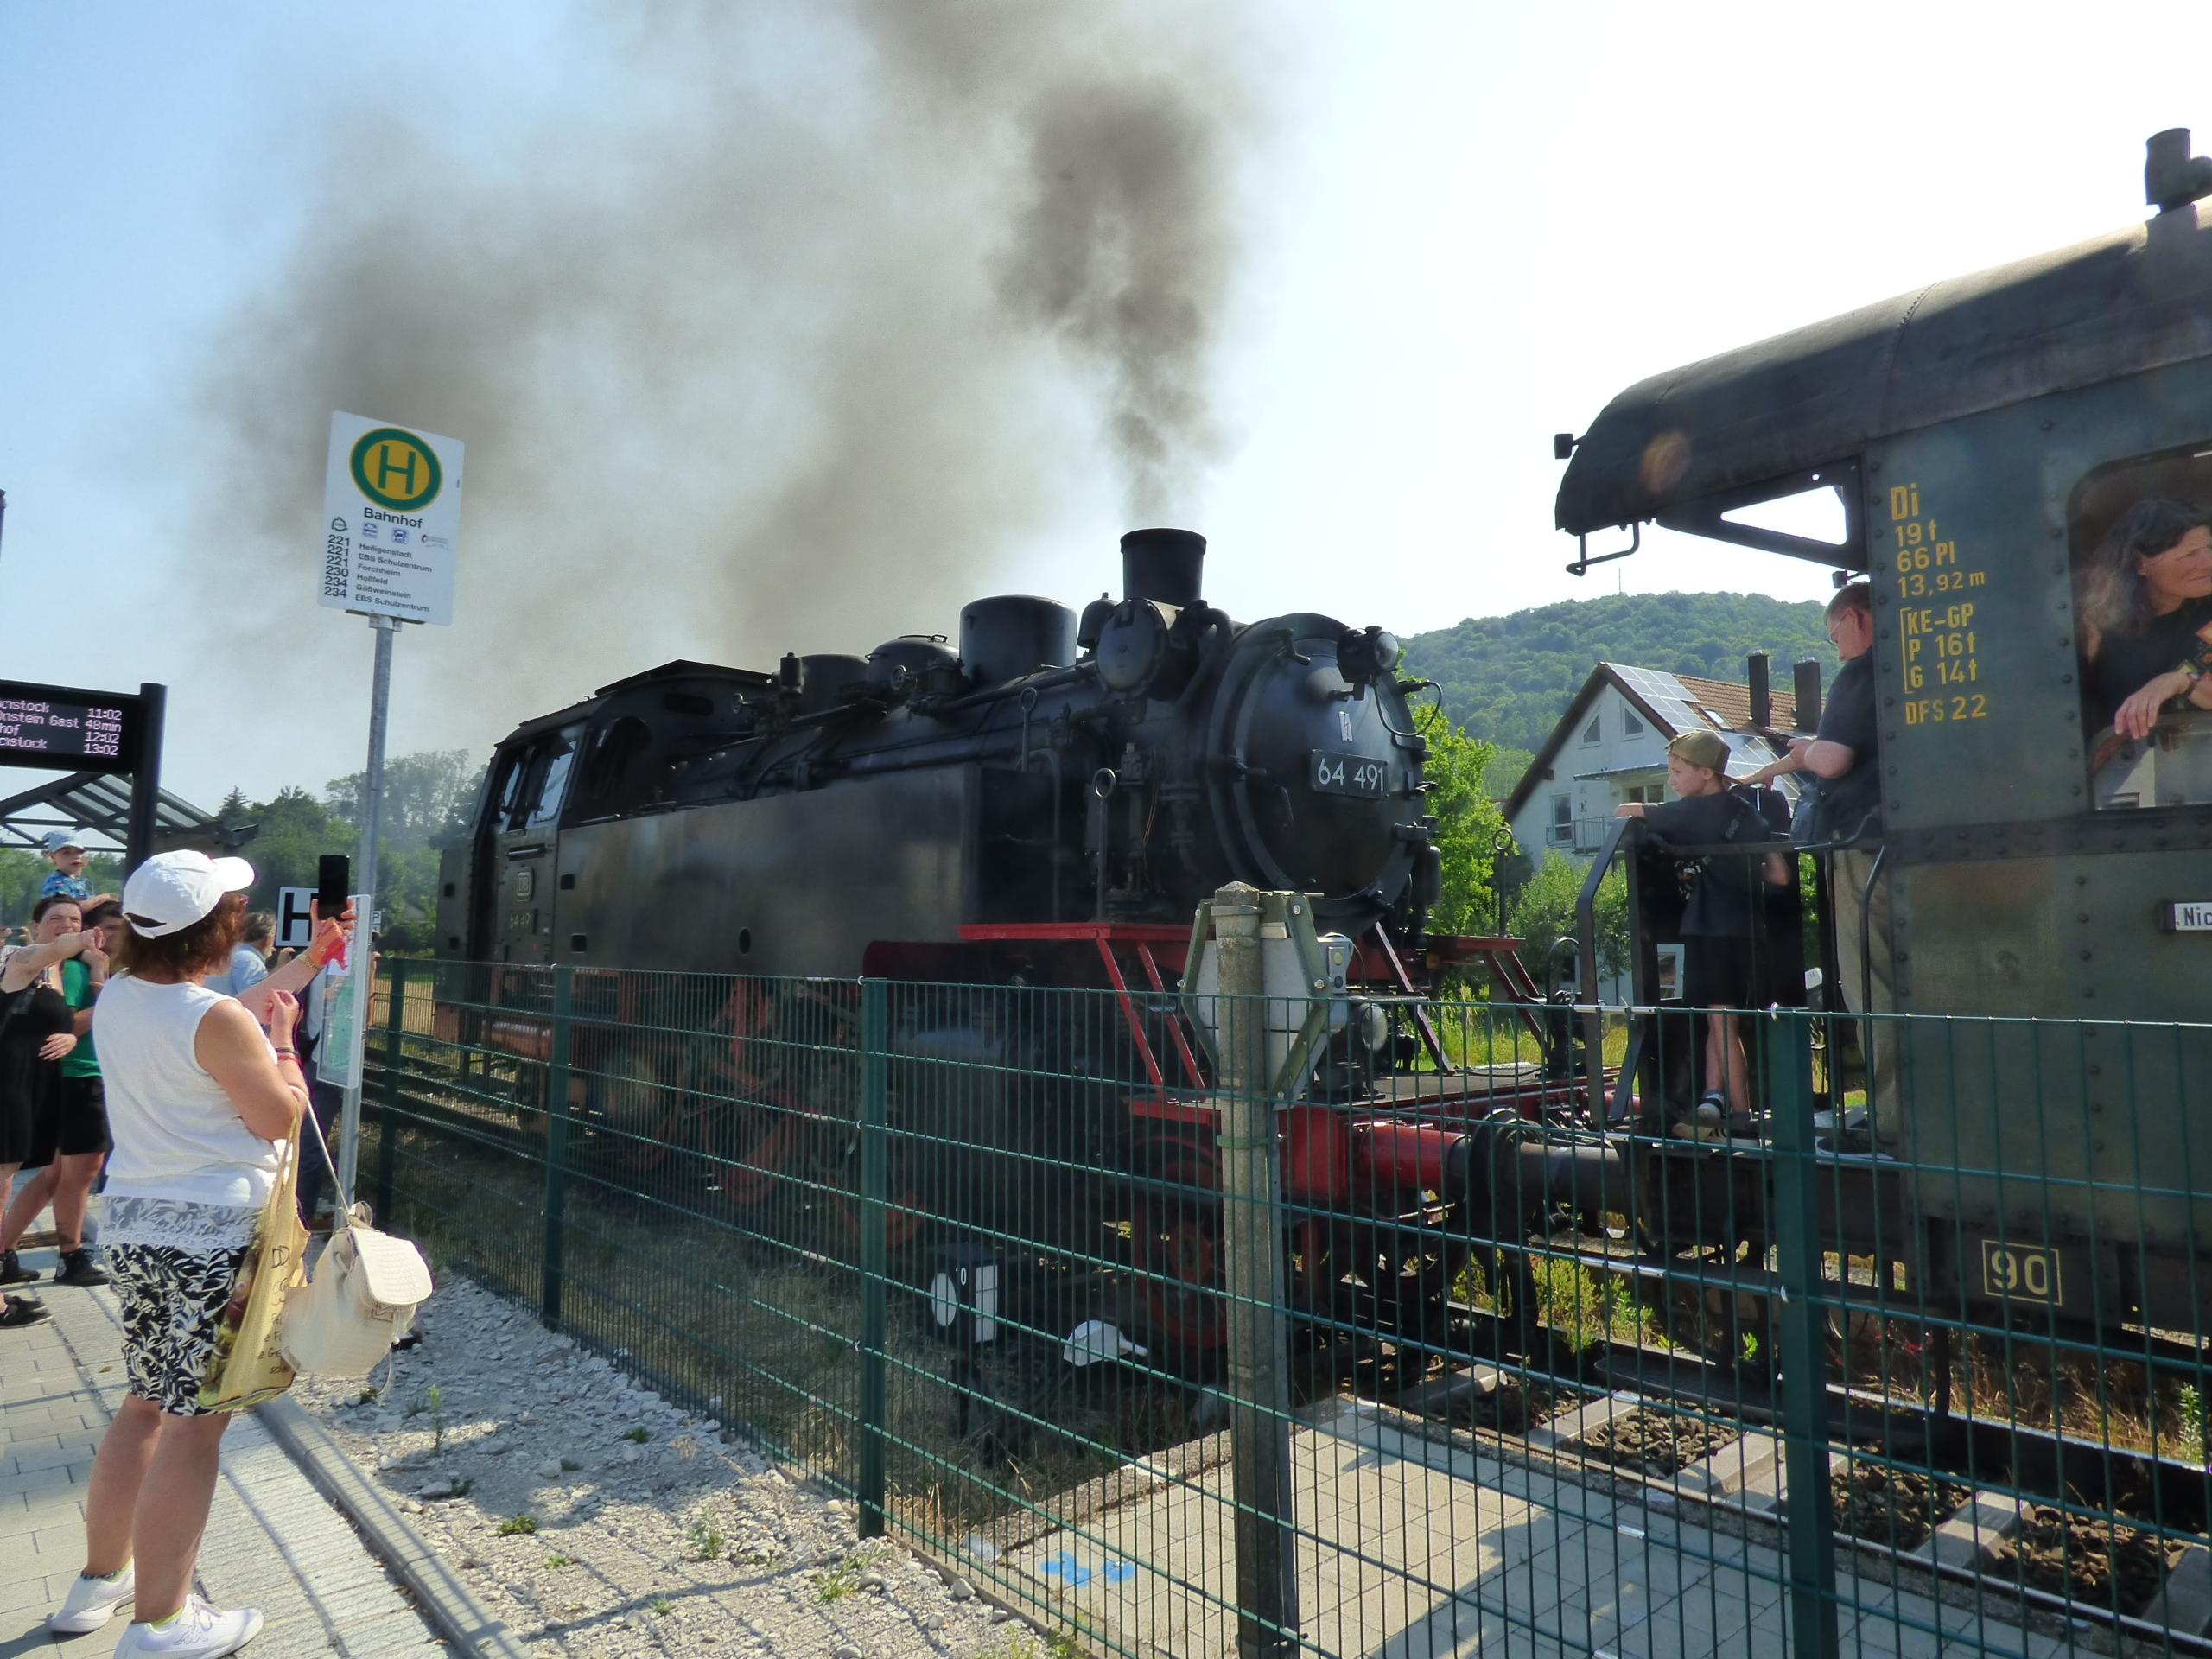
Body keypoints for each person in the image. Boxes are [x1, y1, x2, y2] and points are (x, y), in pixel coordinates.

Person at [42, 851, 321, 1655]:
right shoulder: (217, 1017)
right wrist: (285, 1048)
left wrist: (304, 966)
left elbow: (202, 1026)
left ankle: (98, 1582)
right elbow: (279, 1119)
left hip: (136, 1226)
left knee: (143, 1405)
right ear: (216, 928)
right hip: (213, 1237)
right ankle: (162, 1622)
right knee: (194, 1429)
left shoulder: (120, 997)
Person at [1743, 580, 1895, 1150]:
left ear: (1856, 618)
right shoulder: (1914, 668)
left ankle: (1893, 1122)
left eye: (1836, 636)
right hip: (1898, 842)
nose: (1838, 649)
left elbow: (1833, 761)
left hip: (1862, 844)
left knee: (1872, 983)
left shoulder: (1863, 672)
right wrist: (1786, 762)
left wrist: (1804, 750)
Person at [1618, 730, 1789, 1128]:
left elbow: (1625, 809)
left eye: (1678, 772)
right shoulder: (1747, 813)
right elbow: (1780, 874)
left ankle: (1742, 1115)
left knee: (1720, 1023)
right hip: (1748, 930)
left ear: (1707, 773)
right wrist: (1741, 872)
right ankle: (1713, 1095)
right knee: (1722, 1016)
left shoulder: (1691, 813)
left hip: (1710, 929)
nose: (1672, 781)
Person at [0, 893, 114, 1287]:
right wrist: (79, 944)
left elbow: (68, 1021)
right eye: (56, 920)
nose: (67, 926)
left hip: (46, 1083)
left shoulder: (66, 972)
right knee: (23, 1176)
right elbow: (52, 952)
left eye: (75, 920)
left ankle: (11, 1259)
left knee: (36, 1175)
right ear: (35, 928)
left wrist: (97, 972)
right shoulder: (22, 959)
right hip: (21, 1083)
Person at [2077, 498, 2212, 742]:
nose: (2208, 563)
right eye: (2190, 554)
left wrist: (2180, 681)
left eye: (2209, 548)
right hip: (2122, 760)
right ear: (2140, 564)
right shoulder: (2096, 626)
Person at [203, 912, 273, 999]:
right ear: (268, 940)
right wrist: (281, 966)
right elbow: (256, 999)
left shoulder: (225, 953)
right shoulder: (251, 961)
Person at [39, 830, 93, 904]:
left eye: (79, 852)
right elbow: (65, 907)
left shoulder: (81, 881)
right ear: (53, 857)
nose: (76, 856)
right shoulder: (57, 882)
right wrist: (102, 899)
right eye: (66, 852)